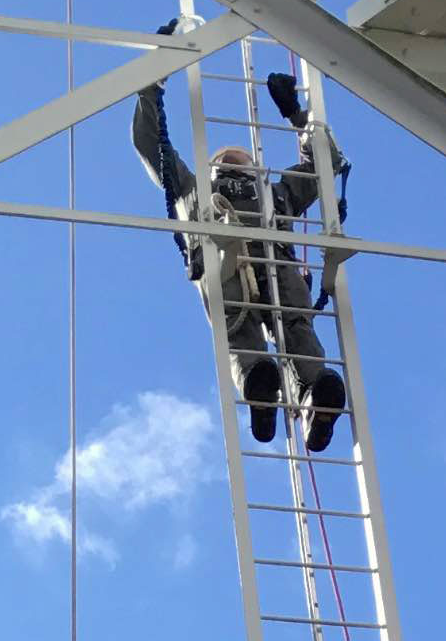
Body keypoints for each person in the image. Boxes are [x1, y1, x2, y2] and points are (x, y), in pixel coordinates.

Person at [134, 27, 351, 452]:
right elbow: (150, 142)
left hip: (277, 264)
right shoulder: (194, 190)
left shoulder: (276, 194)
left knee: (296, 326)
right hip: (224, 262)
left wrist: (297, 115)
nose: (236, 160)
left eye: (244, 158)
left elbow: (327, 165)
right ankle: (259, 387)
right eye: (226, 158)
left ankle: (313, 394)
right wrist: (153, 82)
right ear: (212, 165)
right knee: (241, 331)